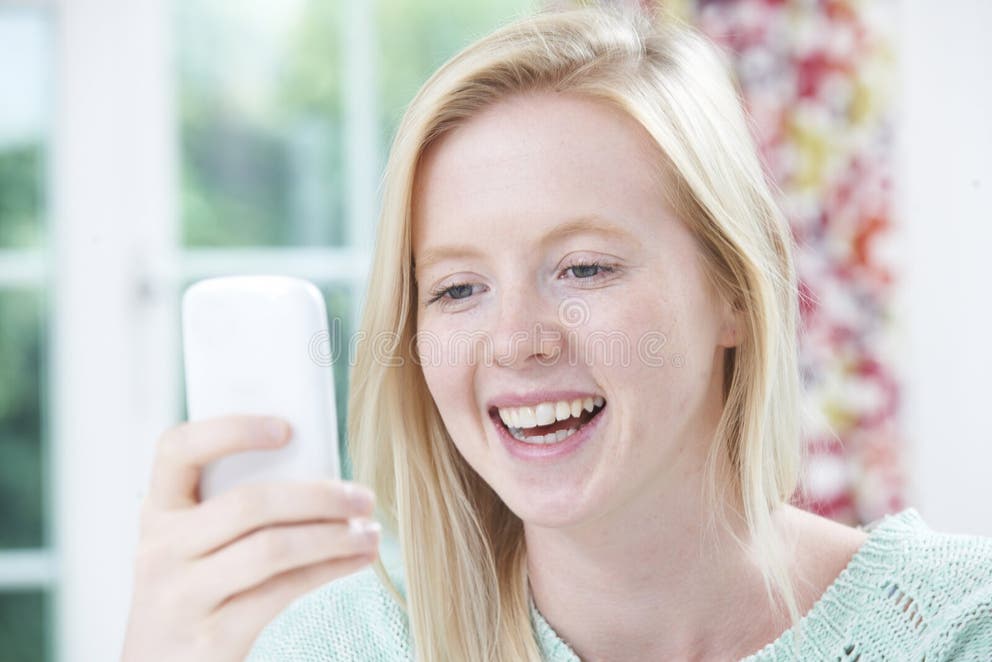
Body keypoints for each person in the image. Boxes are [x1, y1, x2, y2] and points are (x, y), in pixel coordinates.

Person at [121, 5, 992, 661]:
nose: (514, 342)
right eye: (458, 287)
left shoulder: (955, 626)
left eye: (583, 269)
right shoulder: (342, 643)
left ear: (734, 290)